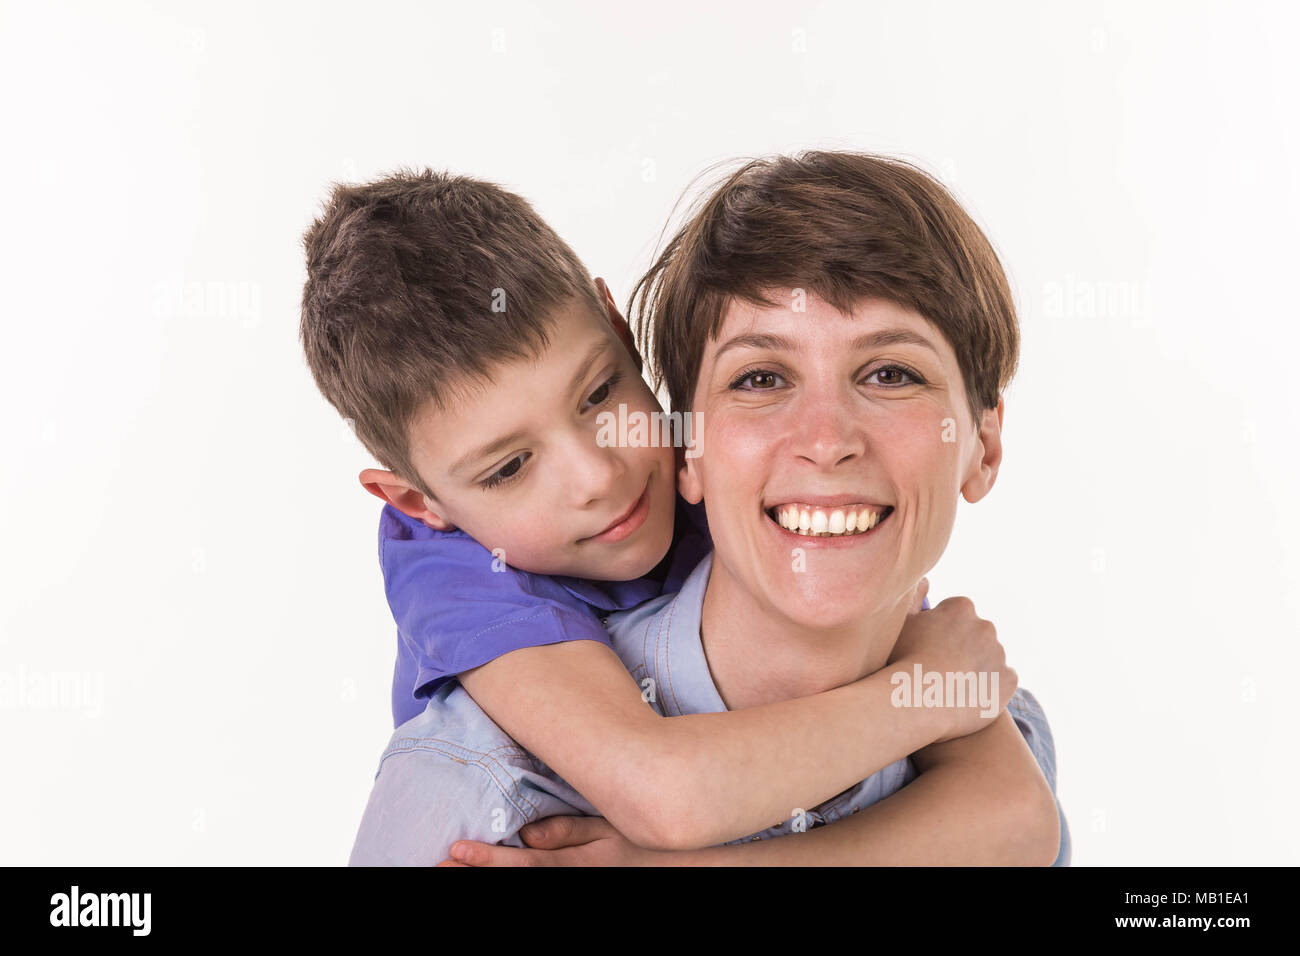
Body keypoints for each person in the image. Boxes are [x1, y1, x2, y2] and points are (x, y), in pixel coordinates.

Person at [299, 160, 1065, 865]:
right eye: (761, 378)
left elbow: (1019, 819)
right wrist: (921, 694)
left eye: (891, 373)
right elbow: (662, 791)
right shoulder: (466, 640)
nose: (599, 476)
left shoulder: (987, 721)